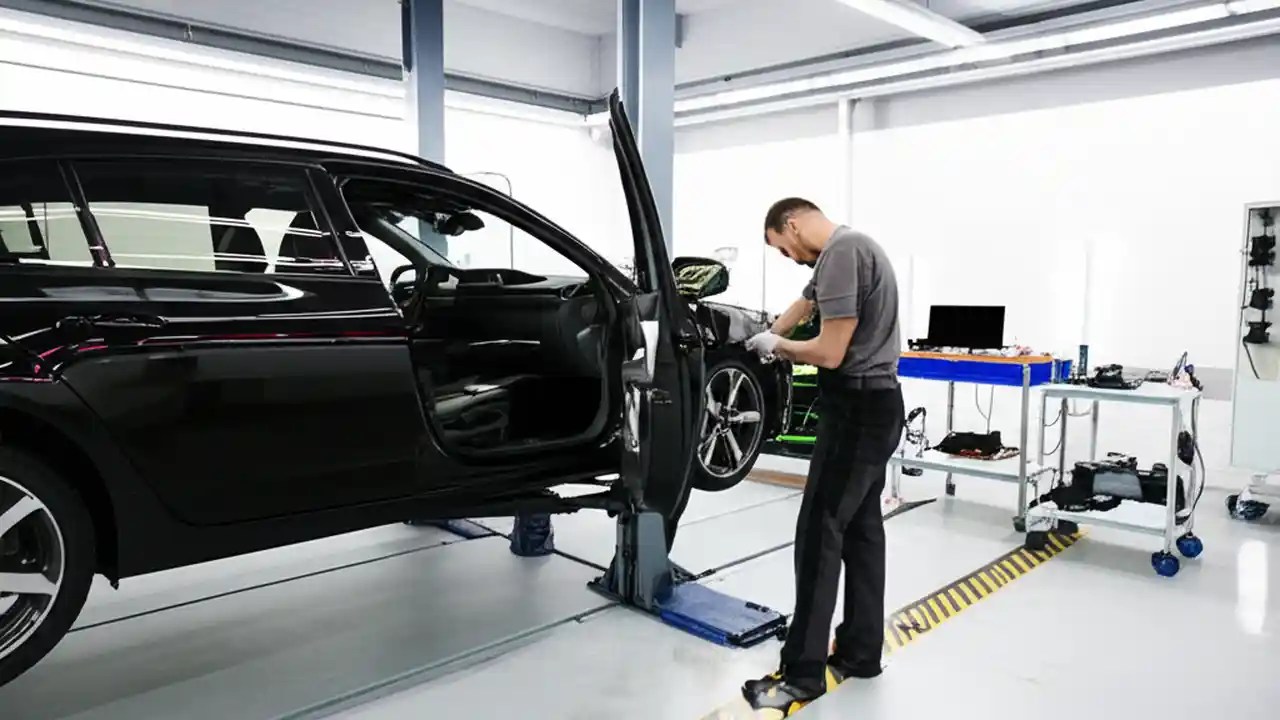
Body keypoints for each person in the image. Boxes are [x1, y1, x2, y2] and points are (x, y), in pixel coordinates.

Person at [741, 197, 904, 716]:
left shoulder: (841, 252)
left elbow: (831, 352)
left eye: (783, 248)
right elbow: (805, 306)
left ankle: (802, 674)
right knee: (860, 532)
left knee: (818, 533)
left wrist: (780, 347)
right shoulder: (846, 250)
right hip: (877, 406)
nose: (791, 258)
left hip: (855, 410)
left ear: (791, 224)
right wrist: (760, 335)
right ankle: (860, 652)